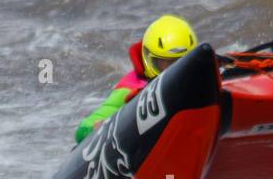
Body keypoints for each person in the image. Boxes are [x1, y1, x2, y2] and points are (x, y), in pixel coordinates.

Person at [74, 15, 198, 143]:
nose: (175, 69)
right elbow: (82, 130)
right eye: (167, 63)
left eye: (182, 61)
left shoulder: (203, 75)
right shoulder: (130, 88)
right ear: (149, 59)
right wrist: (95, 129)